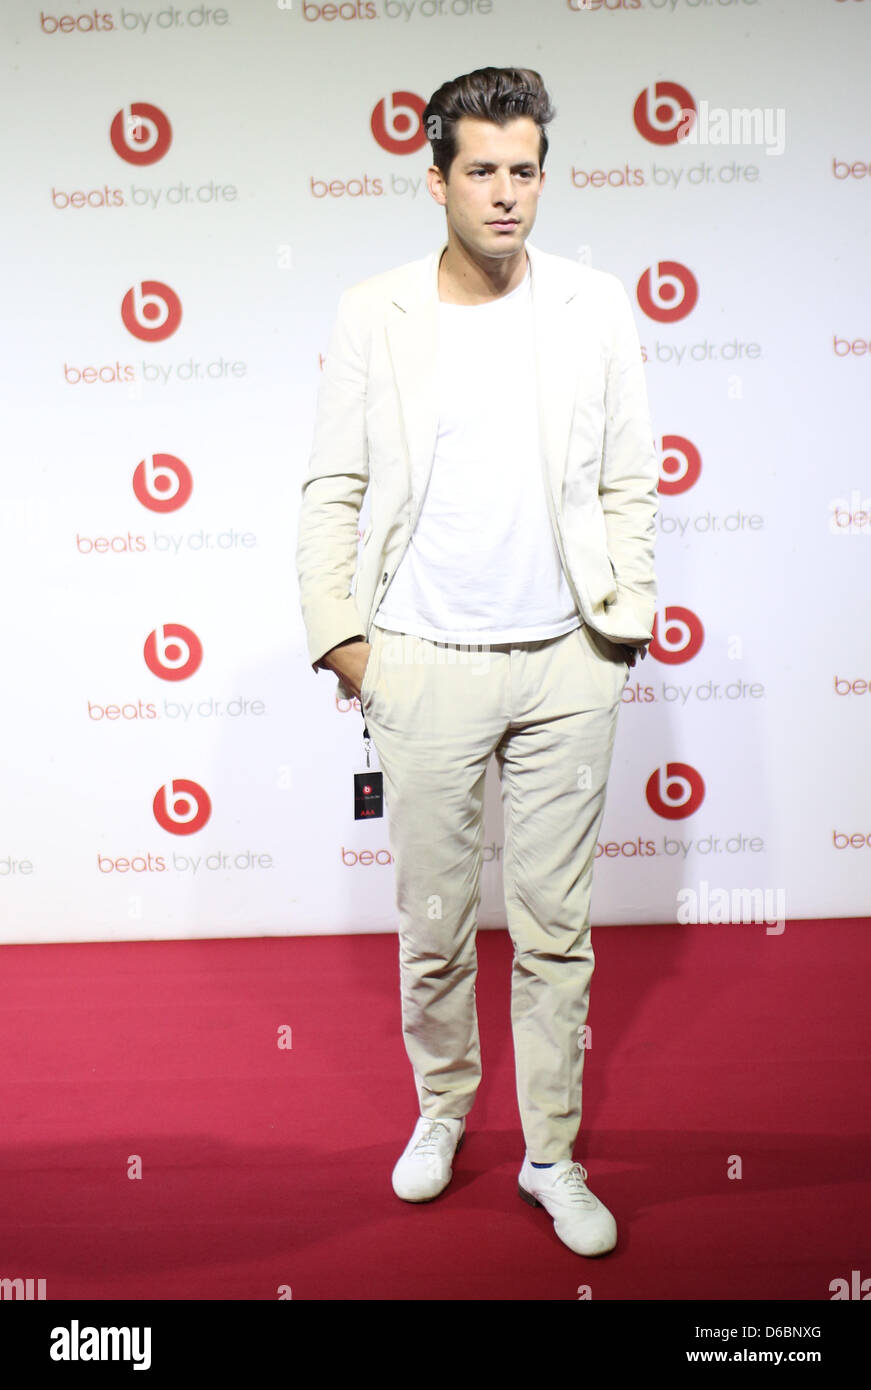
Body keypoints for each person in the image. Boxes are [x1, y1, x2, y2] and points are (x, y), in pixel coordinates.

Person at [295, 67, 659, 1257]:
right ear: (437, 177)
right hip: (421, 661)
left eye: (525, 170)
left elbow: (627, 481)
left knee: (556, 930)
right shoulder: (374, 312)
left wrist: (626, 620)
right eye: (483, 171)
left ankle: (551, 1154)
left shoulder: (596, 306)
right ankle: (443, 1111)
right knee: (436, 923)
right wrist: (345, 639)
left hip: (566, 661)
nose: (507, 195)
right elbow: (334, 487)